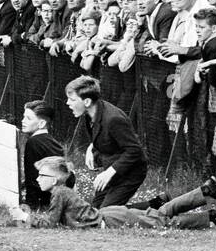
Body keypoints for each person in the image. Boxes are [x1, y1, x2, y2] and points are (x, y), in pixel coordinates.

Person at [65, 74, 148, 207]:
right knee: (95, 211)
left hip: (131, 172)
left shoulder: (113, 119)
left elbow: (134, 151)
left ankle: (156, 207)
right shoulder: (90, 112)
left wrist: (109, 172)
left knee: (105, 215)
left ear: (86, 102)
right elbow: (102, 133)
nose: (67, 103)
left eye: (72, 99)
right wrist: (91, 148)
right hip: (112, 167)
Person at [8, 156, 101, 228]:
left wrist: (24, 216)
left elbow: (49, 224)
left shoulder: (59, 193)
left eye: (41, 175)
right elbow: (52, 218)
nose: (37, 179)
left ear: (54, 181)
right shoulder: (62, 191)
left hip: (106, 221)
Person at [20, 101, 63, 210]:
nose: (23, 121)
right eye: (24, 117)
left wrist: (31, 205)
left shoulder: (33, 142)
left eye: (28, 119)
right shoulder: (52, 142)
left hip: (44, 202)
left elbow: (32, 178)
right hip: (59, 197)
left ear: (42, 124)